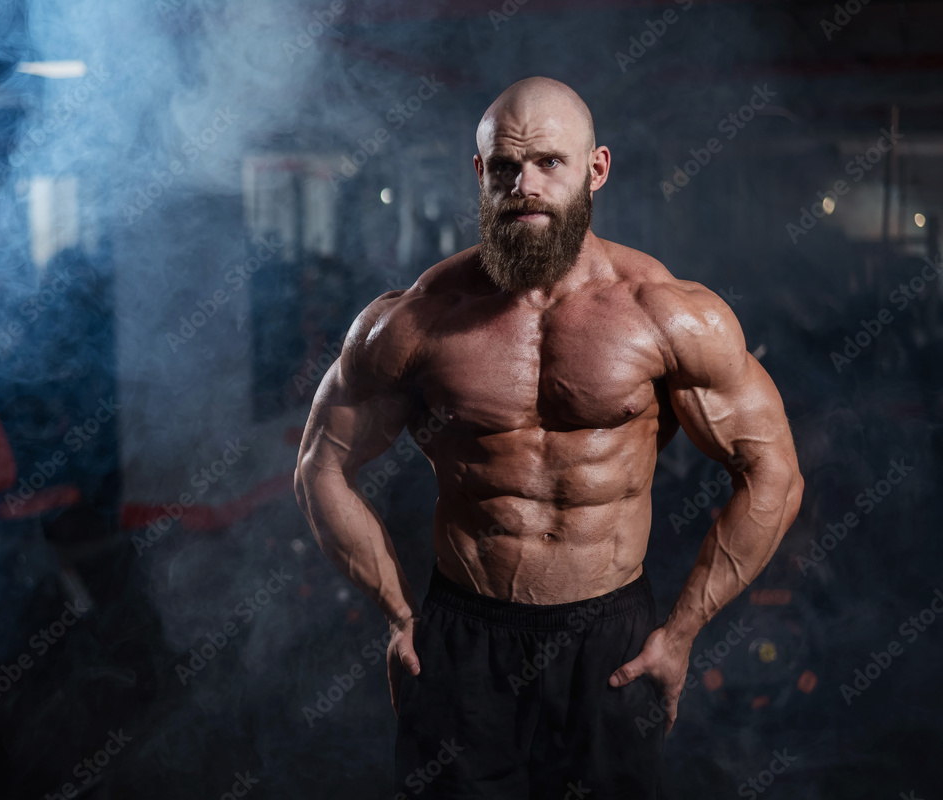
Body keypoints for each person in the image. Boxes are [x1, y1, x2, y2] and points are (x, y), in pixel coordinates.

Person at [294, 76, 804, 798]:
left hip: (610, 643)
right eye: (504, 166)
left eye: (549, 164)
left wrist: (683, 632)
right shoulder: (413, 322)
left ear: (596, 169)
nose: (523, 185)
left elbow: (773, 471)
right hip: (462, 639)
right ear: (479, 173)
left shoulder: (667, 314)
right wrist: (400, 616)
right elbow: (320, 465)